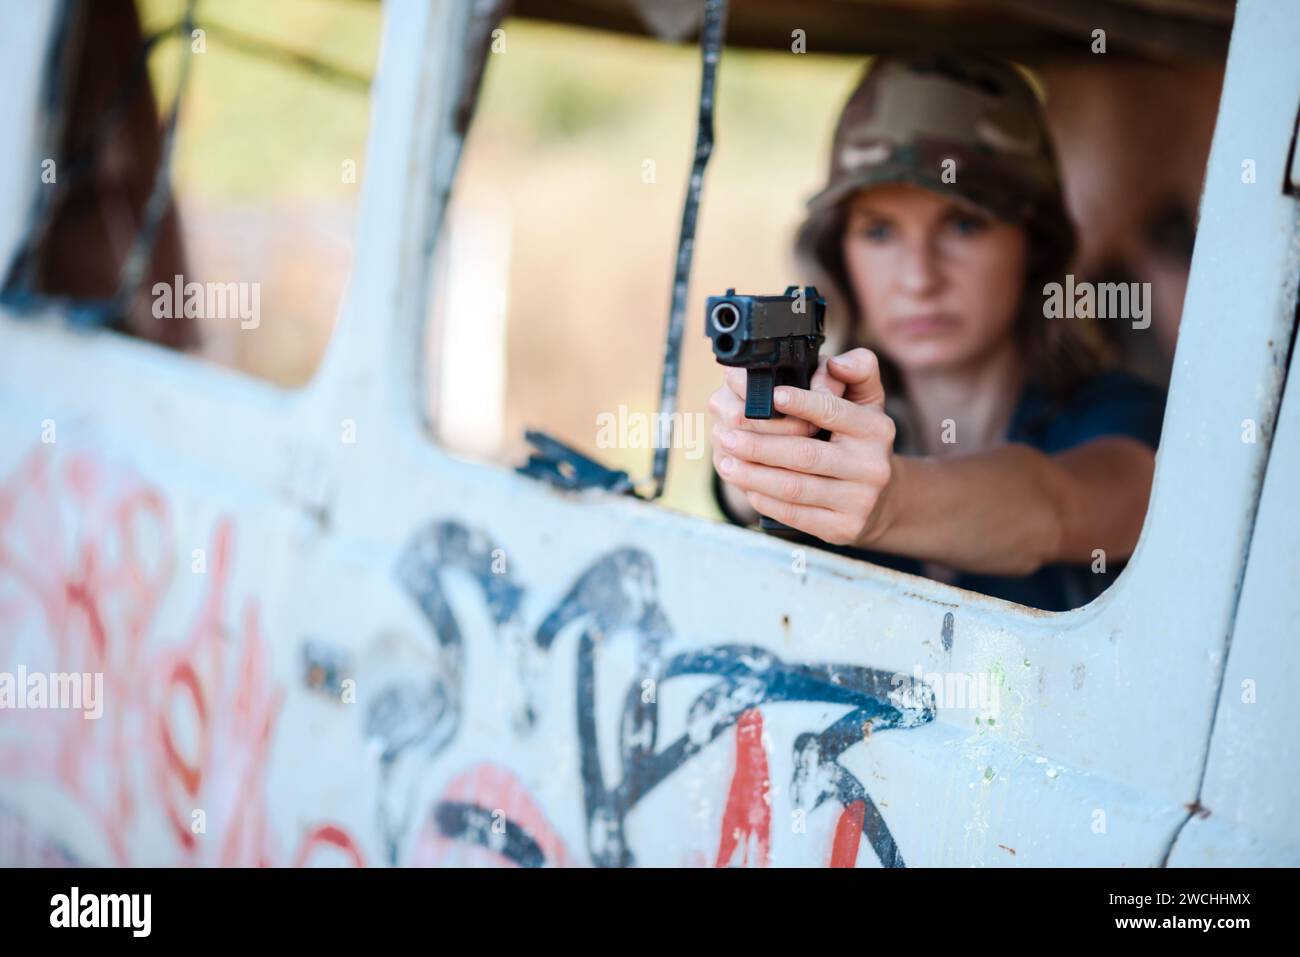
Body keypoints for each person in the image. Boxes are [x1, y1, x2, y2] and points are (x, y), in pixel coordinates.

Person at [709, 55, 1166, 612]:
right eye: (879, 231)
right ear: (839, 255)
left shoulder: (1126, 418)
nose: (918, 278)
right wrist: (755, 467)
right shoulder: (831, 414)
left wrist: (889, 503)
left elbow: (1053, 505)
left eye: (964, 224)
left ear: (1034, 247)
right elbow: (739, 497)